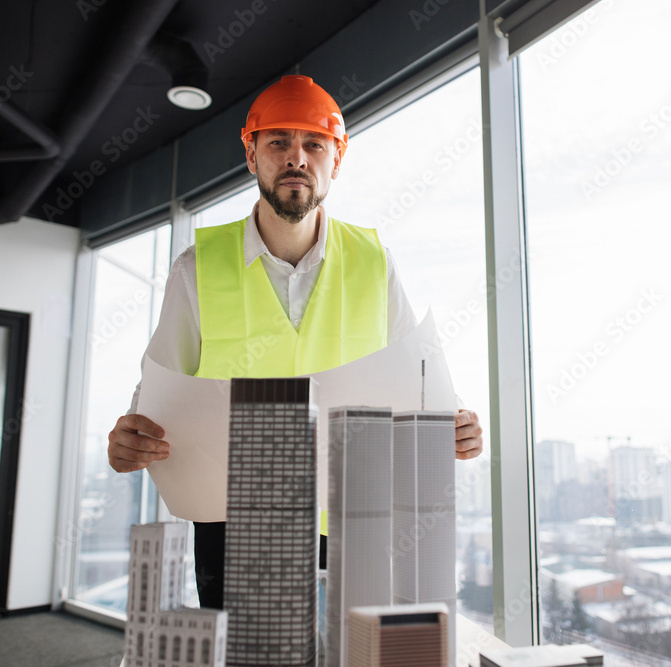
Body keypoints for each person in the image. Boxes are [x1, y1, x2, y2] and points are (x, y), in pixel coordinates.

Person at [107, 75, 482, 608]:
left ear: (336, 158)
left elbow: (419, 379)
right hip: (233, 522)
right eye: (278, 142)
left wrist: (454, 425)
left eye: (314, 144)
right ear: (252, 154)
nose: (297, 158)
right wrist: (130, 441)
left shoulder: (375, 264)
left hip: (355, 519)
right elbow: (154, 397)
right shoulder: (197, 268)